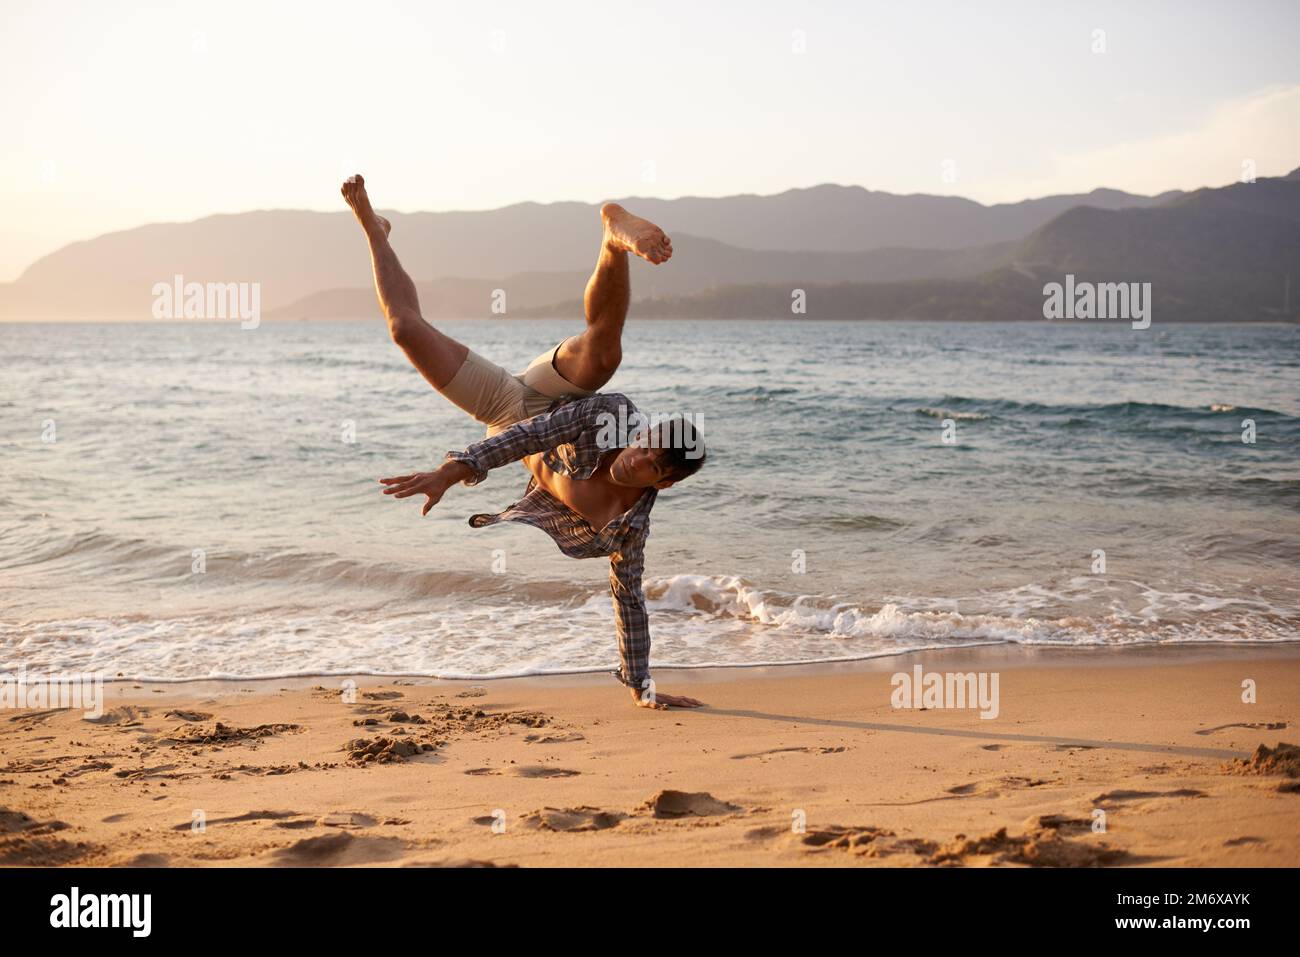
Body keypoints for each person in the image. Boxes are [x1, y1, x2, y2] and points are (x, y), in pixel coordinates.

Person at [341, 175, 707, 710]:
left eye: (652, 463)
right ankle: (613, 238)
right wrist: (453, 470)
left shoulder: (626, 528)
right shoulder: (613, 416)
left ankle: (376, 233)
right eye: (647, 443)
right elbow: (532, 435)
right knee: (604, 356)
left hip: (501, 409)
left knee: (404, 328)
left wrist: (642, 687)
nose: (637, 456)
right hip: (549, 401)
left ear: (665, 482)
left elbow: (627, 598)